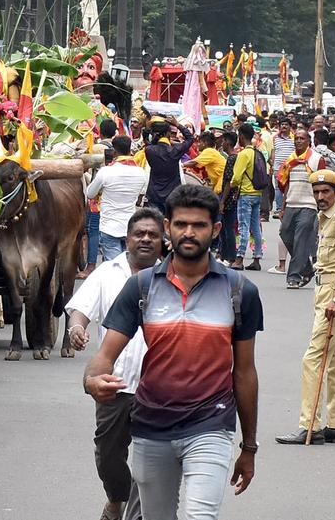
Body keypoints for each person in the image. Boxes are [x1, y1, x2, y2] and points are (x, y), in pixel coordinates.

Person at [85, 184, 263, 520]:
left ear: (216, 229)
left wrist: (249, 446)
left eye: (198, 225)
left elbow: (244, 371)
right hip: (151, 426)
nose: (189, 232)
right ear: (168, 227)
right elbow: (105, 355)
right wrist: (93, 380)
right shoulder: (141, 287)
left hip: (212, 424)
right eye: (181, 224)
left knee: (200, 516)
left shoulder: (240, 291)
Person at [66, 208, 164, 520]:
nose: (145, 239)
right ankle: (116, 498)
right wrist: (76, 328)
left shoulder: (173, 278)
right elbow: (81, 309)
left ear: (163, 241)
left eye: (153, 235)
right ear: (127, 239)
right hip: (113, 384)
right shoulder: (107, 273)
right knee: (108, 456)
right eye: (139, 234)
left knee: (150, 462)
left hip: (159, 389)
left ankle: (137, 512)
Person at [275, 170, 335, 445]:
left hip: (334, 291)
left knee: (313, 359)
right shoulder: (328, 215)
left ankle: (309, 426)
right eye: (316, 192)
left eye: (326, 192)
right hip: (326, 287)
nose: (320, 197)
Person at [84, 135, 149, 263]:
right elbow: (142, 192)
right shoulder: (141, 173)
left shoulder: (106, 172)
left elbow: (90, 193)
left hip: (109, 227)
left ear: (114, 152)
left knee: (114, 266)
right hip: (130, 226)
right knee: (129, 265)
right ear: (130, 150)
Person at [278, 130, 322, 289]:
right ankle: (307, 268)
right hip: (291, 203)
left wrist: (320, 206)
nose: (298, 141)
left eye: (302, 138)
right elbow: (286, 184)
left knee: (300, 240)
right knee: (285, 234)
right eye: (296, 138)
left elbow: (321, 184)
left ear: (308, 141)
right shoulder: (290, 160)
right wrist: (283, 207)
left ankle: (294, 277)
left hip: (308, 205)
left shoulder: (316, 159)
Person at [229, 123, 266, 271]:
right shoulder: (257, 152)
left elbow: (236, 177)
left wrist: (231, 185)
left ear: (241, 136)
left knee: (243, 226)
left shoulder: (243, 154)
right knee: (255, 227)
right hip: (257, 193)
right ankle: (257, 258)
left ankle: (239, 259)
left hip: (245, 194)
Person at [143, 119, 194, 214]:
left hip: (154, 195)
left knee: (155, 222)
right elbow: (190, 138)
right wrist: (177, 125)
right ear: (168, 134)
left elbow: (149, 142)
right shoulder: (175, 150)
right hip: (173, 195)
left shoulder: (149, 150)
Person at [216, 131, 241, 265]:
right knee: (226, 227)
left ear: (229, 142)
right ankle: (225, 255)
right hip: (232, 197)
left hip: (229, 198)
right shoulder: (235, 157)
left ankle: (230, 257)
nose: (222, 144)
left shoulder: (231, 159)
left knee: (228, 228)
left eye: (224, 141)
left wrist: (222, 201)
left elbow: (228, 182)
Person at [271, 119, 296, 216]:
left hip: (290, 168)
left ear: (290, 127)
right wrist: (272, 165)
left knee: (289, 187)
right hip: (278, 168)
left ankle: (288, 208)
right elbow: (273, 151)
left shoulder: (294, 138)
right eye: (282, 124)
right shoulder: (275, 138)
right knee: (278, 188)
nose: (284, 126)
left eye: (286, 124)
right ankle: (279, 208)